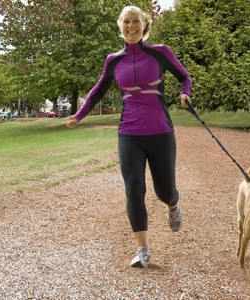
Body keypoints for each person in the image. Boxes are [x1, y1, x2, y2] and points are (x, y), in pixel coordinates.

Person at [67, 6, 192, 268]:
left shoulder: (160, 53)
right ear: (120, 25)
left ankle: (173, 205)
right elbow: (97, 90)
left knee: (164, 191)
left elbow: (184, 76)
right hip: (129, 134)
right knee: (134, 188)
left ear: (144, 25)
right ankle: (143, 249)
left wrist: (184, 91)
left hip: (160, 131)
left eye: (136, 21)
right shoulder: (113, 60)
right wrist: (79, 115)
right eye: (126, 21)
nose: (131, 26)